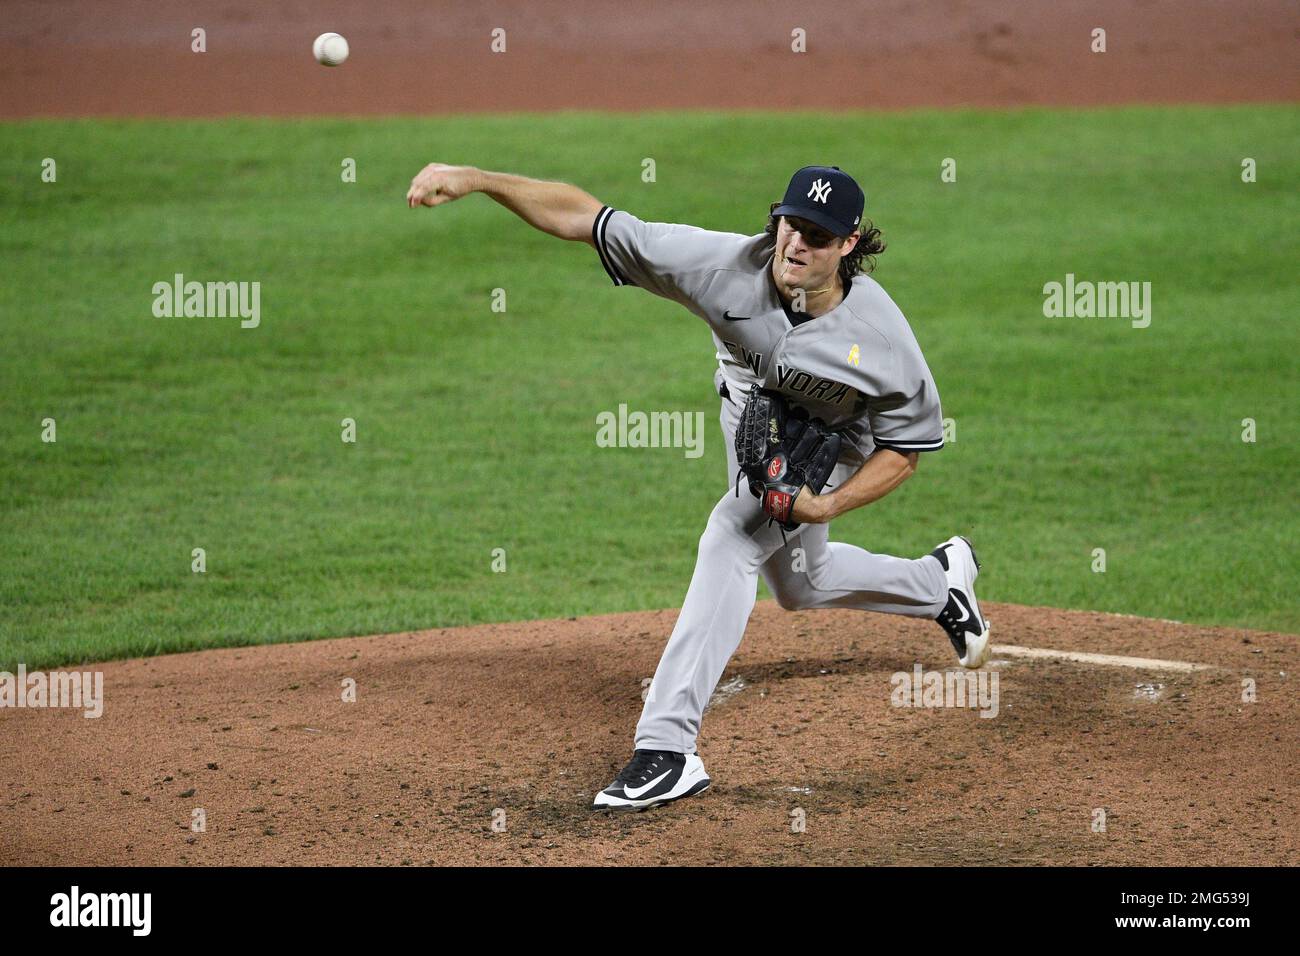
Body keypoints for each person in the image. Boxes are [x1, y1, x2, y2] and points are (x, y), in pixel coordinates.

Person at [406, 162, 990, 811]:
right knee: (799, 583)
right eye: (791, 226)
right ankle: (941, 584)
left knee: (734, 538)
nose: (797, 245)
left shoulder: (881, 338)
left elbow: (905, 448)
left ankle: (667, 747)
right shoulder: (718, 266)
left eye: (818, 237)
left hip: (837, 438)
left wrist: (825, 501)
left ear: (849, 247)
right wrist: (477, 180)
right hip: (752, 412)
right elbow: (588, 218)